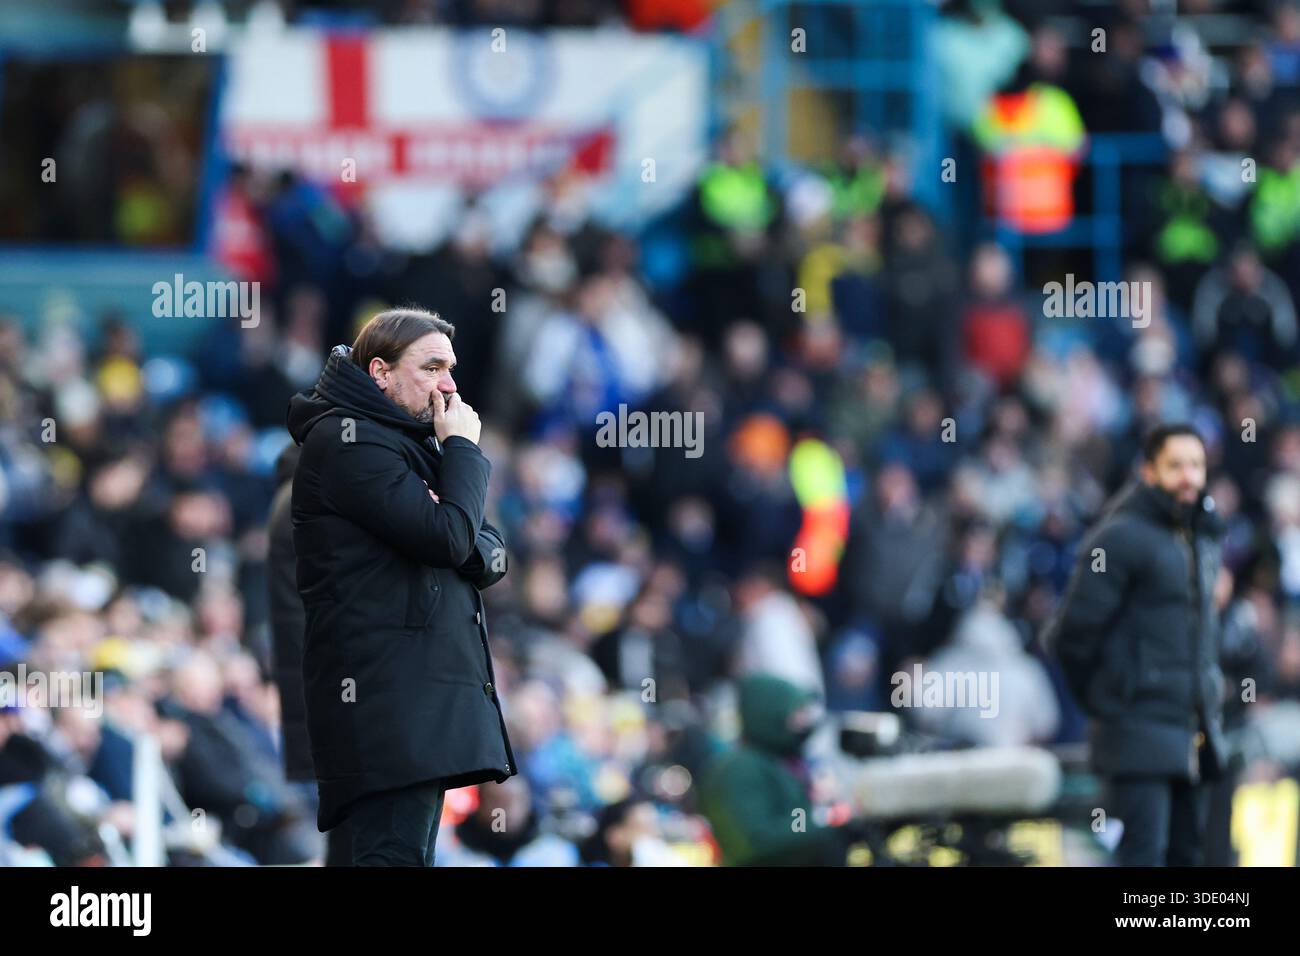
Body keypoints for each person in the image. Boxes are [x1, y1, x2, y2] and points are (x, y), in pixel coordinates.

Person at [286, 308, 514, 866]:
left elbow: (491, 553)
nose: (449, 385)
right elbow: (452, 540)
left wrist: (455, 526)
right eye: (432, 367)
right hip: (384, 706)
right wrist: (462, 451)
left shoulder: (406, 442)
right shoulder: (350, 442)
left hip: (410, 706)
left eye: (451, 369)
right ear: (381, 372)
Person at [1046, 423, 1228, 866]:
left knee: (1191, 857)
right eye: (1175, 465)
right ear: (1149, 472)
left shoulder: (1202, 540)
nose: (1188, 476)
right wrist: (1111, 700)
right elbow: (1069, 637)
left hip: (1194, 734)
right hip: (1136, 736)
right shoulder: (1118, 538)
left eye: (1196, 465)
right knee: (1142, 857)